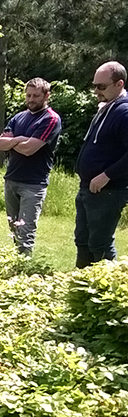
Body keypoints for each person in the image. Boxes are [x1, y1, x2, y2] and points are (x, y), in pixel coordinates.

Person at [0, 78, 62, 256]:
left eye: (36, 96)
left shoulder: (50, 119)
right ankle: (15, 263)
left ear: (46, 96)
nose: (31, 99)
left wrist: (13, 142)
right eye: (28, 95)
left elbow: (29, 149)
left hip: (33, 184)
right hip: (12, 179)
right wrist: (19, 139)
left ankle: (24, 267)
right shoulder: (18, 117)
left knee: (26, 231)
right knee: (14, 227)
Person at [75, 61, 128, 268]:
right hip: (88, 187)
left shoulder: (124, 112)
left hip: (108, 190)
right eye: (94, 86)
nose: (96, 91)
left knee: (100, 244)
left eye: (102, 86)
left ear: (119, 84)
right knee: (82, 240)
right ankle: (80, 284)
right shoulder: (107, 108)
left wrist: (107, 175)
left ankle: (108, 285)